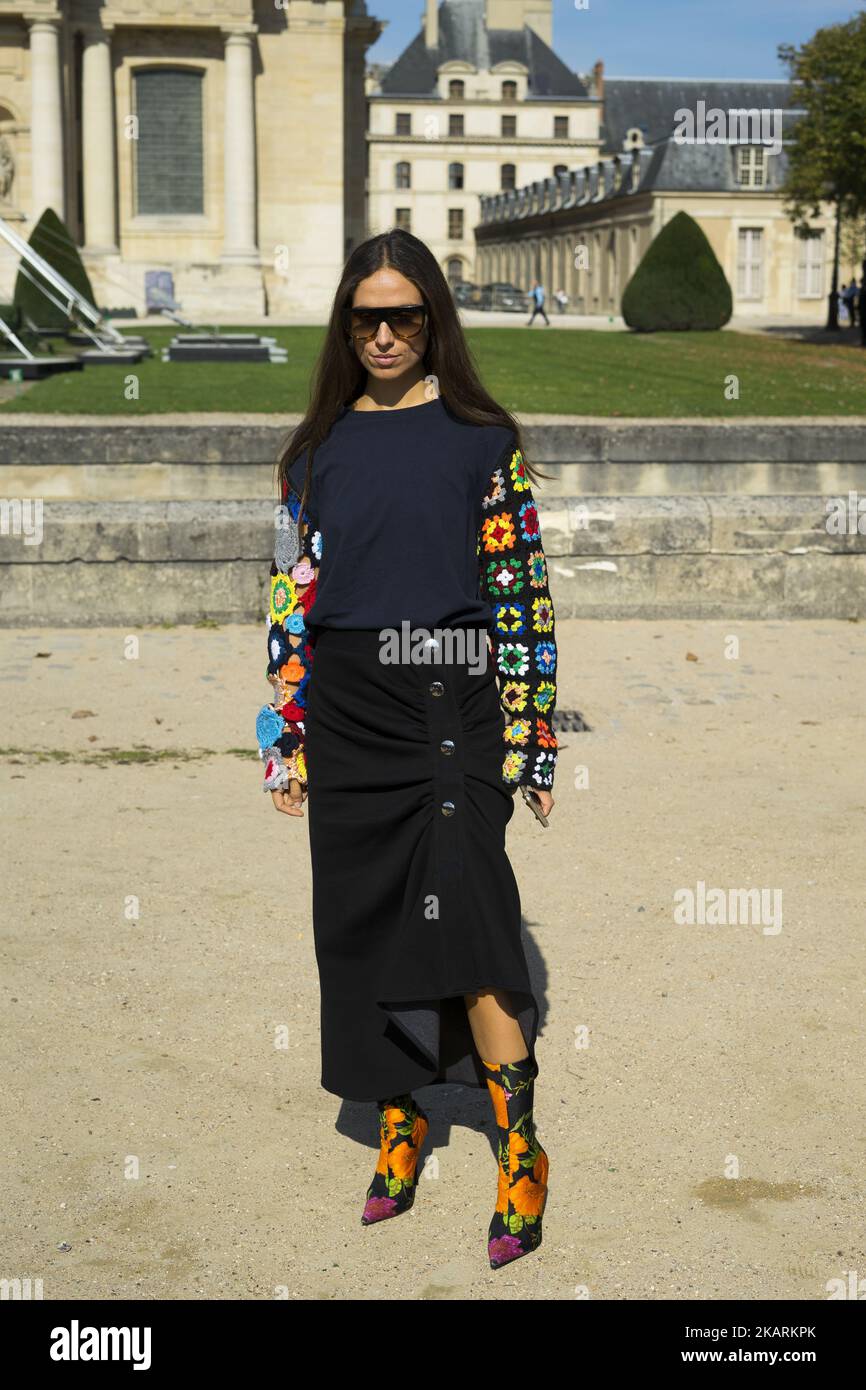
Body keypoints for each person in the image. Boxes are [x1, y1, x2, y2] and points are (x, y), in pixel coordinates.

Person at [255, 228, 558, 1269]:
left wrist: (534, 732)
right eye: (366, 318)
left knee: (473, 910)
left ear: (434, 321)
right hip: (346, 709)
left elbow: (519, 593)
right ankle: (401, 1123)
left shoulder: (483, 438)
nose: (384, 334)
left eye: (404, 317)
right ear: (345, 326)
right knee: (371, 919)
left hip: (451, 700)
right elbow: (291, 601)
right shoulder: (314, 450)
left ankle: (519, 1147)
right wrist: (280, 735)